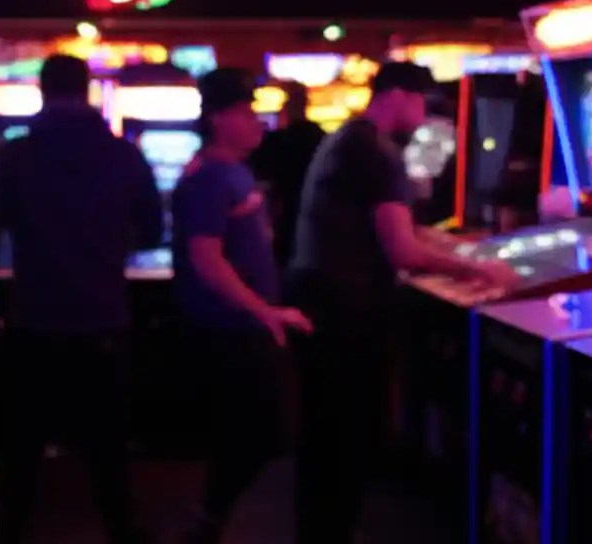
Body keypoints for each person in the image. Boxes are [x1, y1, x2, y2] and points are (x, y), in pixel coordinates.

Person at [287, 60, 520, 544]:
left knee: (328, 437)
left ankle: (325, 530)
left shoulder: (350, 139)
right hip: (347, 315)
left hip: (323, 306)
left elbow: (404, 230)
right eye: (420, 102)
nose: (423, 114)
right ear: (398, 95)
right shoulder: (376, 152)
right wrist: (482, 269)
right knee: (345, 438)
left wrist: (459, 250)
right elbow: (403, 251)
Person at [0, 54, 164, 544]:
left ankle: (6, 534)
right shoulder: (125, 155)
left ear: (42, 91)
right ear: (89, 92)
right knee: (109, 448)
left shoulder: (15, 155)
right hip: (105, 319)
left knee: (22, 449)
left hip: (35, 320)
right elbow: (154, 230)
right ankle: (121, 531)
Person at [170, 69, 314, 543]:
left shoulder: (232, 171)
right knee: (257, 433)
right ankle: (209, 521)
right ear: (219, 118)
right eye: (248, 112)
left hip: (245, 323)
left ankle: (212, 518)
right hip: (229, 327)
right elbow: (206, 260)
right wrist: (263, 311)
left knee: (257, 433)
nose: (259, 122)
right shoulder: (210, 177)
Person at [249, 80, 326, 268]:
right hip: (317, 221)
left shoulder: (274, 141)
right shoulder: (323, 139)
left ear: (285, 107)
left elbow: (259, 182)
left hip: (280, 218)